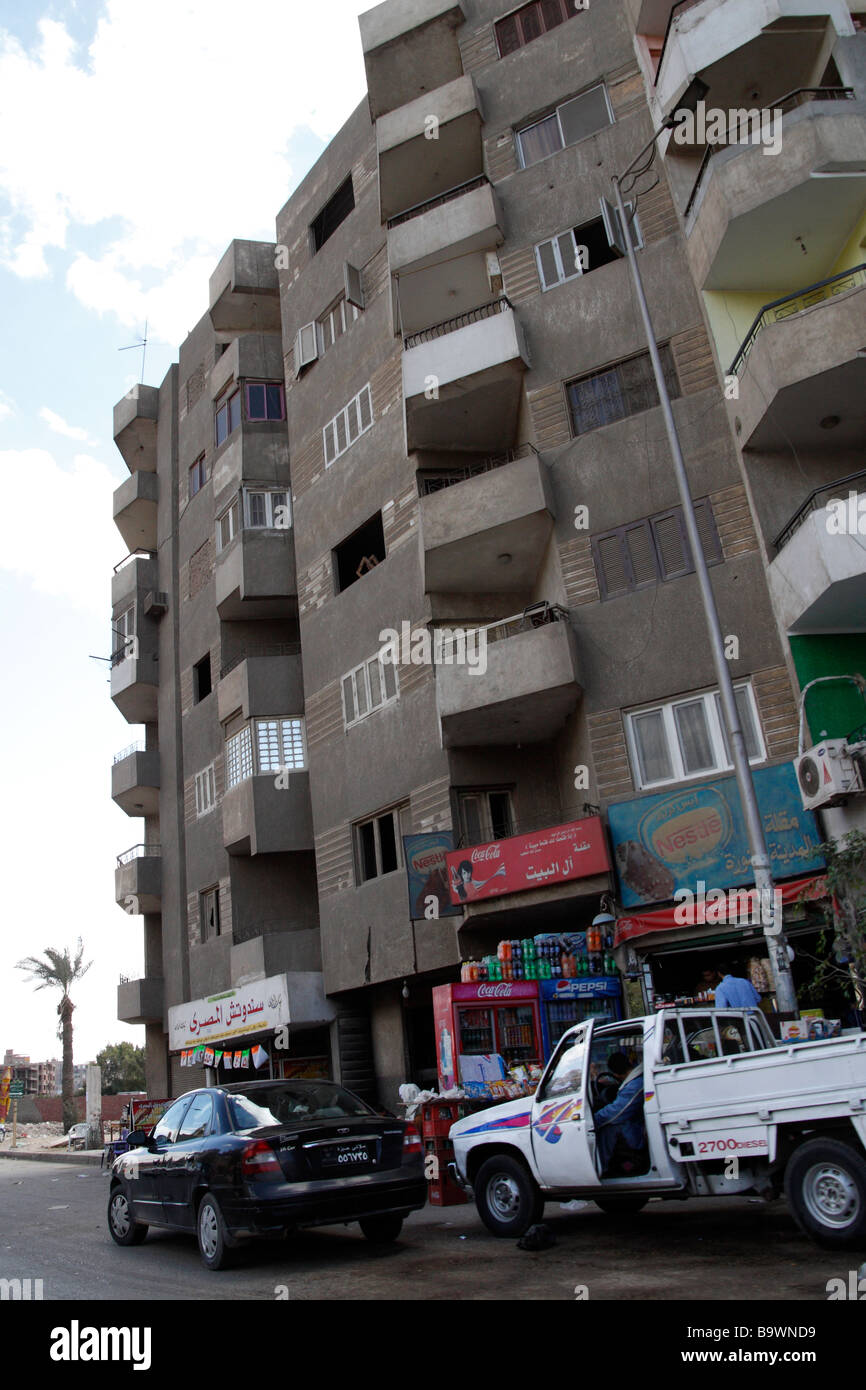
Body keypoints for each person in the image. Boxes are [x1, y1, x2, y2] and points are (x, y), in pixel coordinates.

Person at [594, 1058, 646, 1175]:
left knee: (609, 1127)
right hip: (639, 1121)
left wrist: (594, 1120)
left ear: (616, 1074)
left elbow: (617, 1112)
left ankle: (604, 1168)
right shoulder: (637, 1079)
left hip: (637, 1127)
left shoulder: (635, 1084)